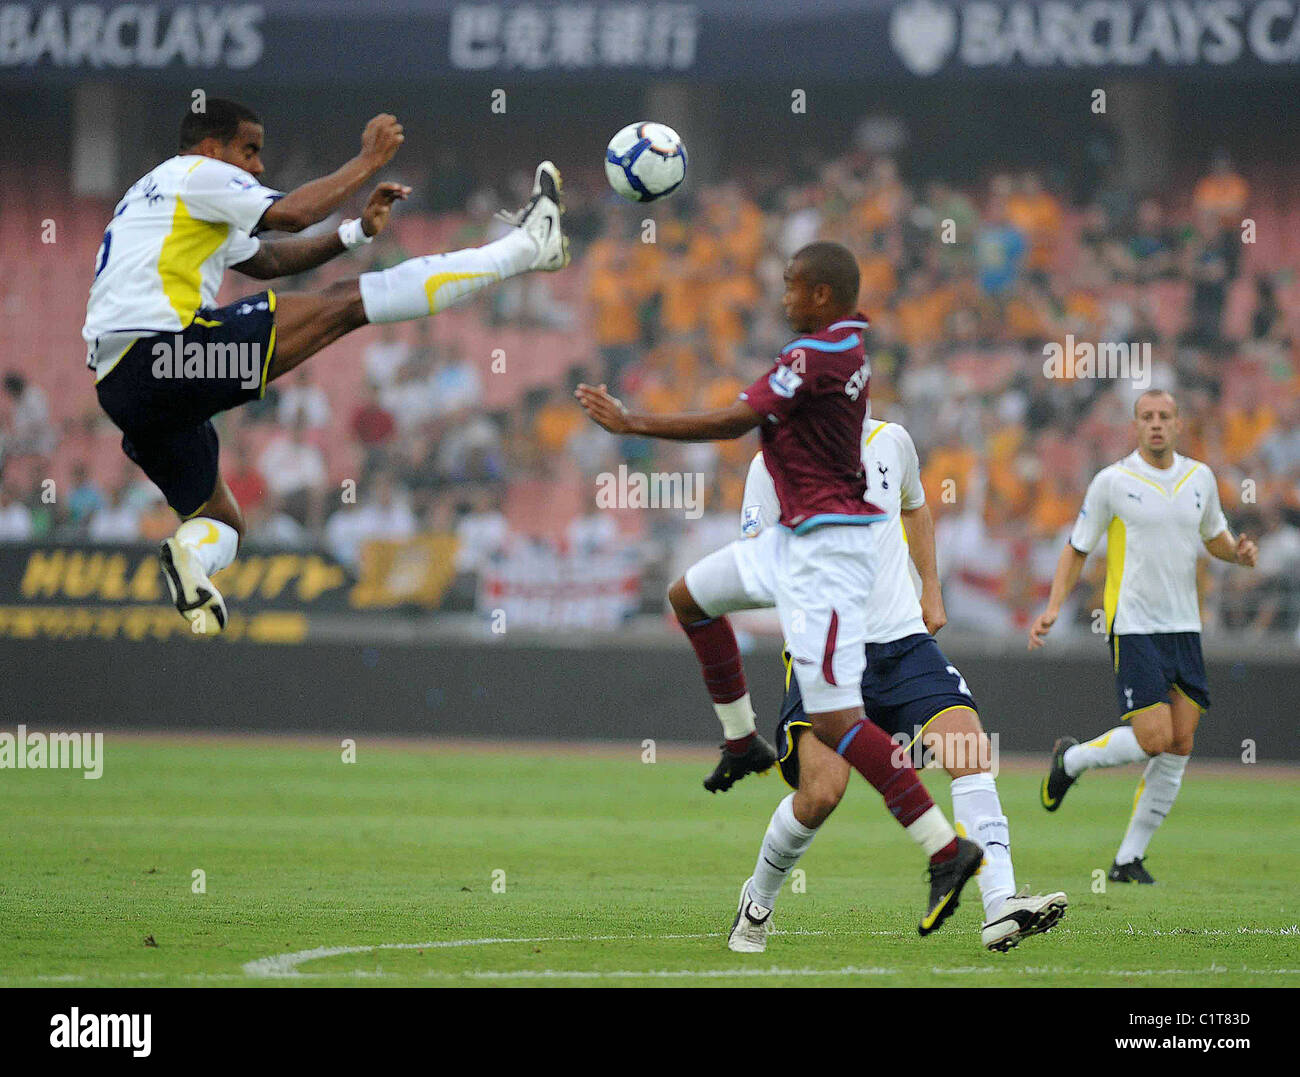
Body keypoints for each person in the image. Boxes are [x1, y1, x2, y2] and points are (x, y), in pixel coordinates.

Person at [577, 242, 982, 936]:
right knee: (687, 596)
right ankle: (741, 744)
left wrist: (631, 421)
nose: (782, 293)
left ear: (821, 295)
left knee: (835, 728)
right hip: (793, 543)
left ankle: (946, 850)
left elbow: (735, 421)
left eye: (792, 284)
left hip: (825, 557)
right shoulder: (850, 348)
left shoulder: (814, 358)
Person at [84, 98, 567, 633]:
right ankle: (524, 248)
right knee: (351, 303)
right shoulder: (199, 175)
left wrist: (355, 233)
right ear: (211, 148)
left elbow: (264, 261)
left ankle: (191, 561)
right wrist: (368, 160)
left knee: (220, 522)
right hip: (167, 354)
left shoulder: (155, 193)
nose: (259, 167)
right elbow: (292, 215)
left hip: (122, 385)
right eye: (250, 152)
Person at [726, 424, 1067, 952]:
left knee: (968, 747)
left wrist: (930, 588)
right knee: (821, 794)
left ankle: (999, 905)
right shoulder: (771, 463)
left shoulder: (892, 440)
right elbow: (753, 558)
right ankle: (758, 901)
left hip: (901, 639)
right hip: (826, 648)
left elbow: (917, 508)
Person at [1029, 389, 1258, 883]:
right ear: (1135, 426)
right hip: (1133, 625)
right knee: (1154, 739)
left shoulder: (1200, 478)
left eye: (1165, 416)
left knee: (1180, 743)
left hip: (1185, 626)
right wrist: (1052, 607)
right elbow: (1076, 548)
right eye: (1147, 417)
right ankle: (1071, 759)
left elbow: (1213, 535)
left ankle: (1128, 859)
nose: (1156, 424)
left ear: (1178, 424)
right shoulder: (1113, 482)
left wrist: (1235, 553)